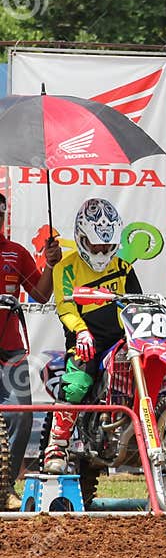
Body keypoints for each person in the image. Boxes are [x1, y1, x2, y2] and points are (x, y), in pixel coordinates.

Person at [44, 198, 141, 474]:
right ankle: (57, 445)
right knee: (76, 384)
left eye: (106, 246)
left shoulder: (123, 268)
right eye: (95, 245)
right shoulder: (66, 267)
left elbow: (137, 303)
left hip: (122, 340)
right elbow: (65, 306)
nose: (100, 251)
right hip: (86, 340)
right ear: (81, 238)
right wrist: (81, 331)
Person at [0, 193, 61, 499]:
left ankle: (5, 486)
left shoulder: (16, 252)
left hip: (10, 349)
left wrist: (50, 264)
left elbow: (40, 294)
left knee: (21, 413)